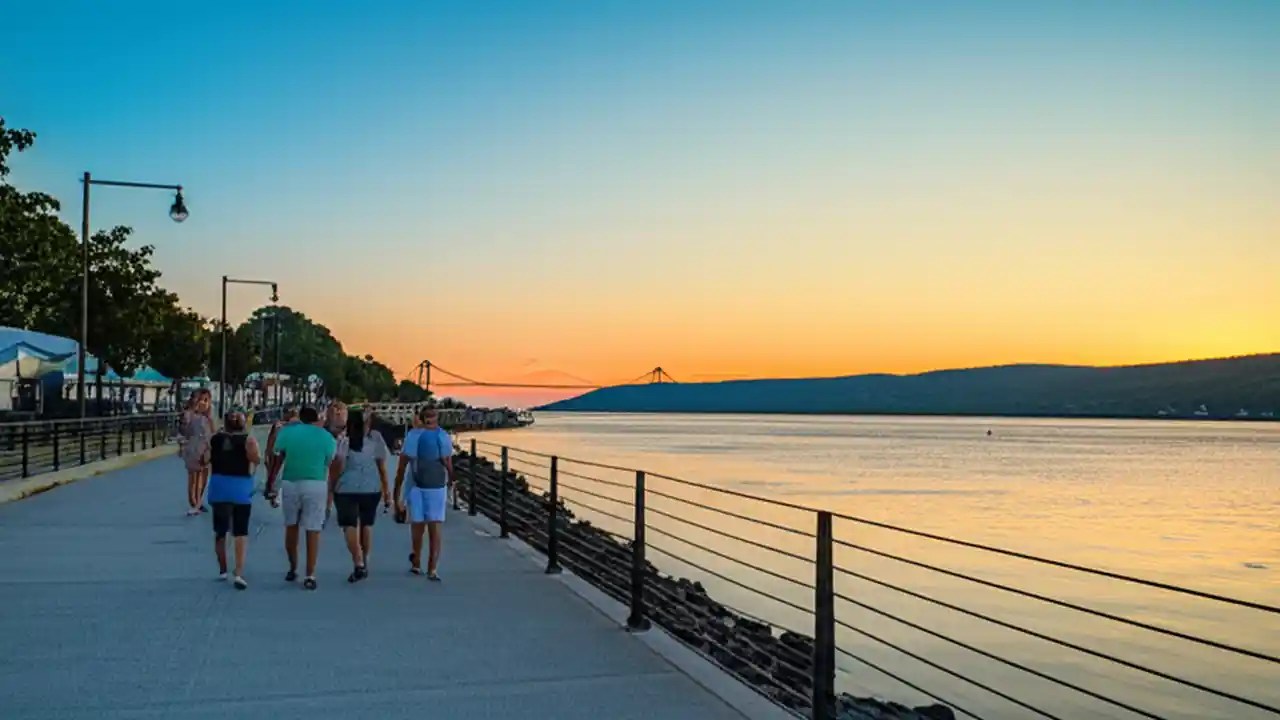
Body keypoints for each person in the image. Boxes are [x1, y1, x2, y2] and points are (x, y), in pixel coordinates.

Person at [267, 406, 337, 590]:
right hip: (316, 483)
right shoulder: (326, 437)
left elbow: (276, 453)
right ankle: (310, 574)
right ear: (316, 419)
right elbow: (329, 461)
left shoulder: (288, 433)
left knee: (291, 526)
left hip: (291, 482)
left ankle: (292, 567)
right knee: (313, 529)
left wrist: (270, 483)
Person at [328, 409, 390, 583]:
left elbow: (338, 465)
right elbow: (382, 467)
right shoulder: (376, 438)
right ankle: (365, 561)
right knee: (367, 524)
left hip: (346, 488)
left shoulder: (343, 441)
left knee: (349, 525)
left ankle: (358, 561)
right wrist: (387, 492)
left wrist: (331, 487)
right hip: (372, 488)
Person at [394, 407, 453, 580]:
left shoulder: (413, 436)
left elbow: (402, 465)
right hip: (433, 487)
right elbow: (448, 461)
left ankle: (419, 563)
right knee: (431, 527)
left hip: (419, 487)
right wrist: (452, 480)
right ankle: (430, 568)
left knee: (419, 526)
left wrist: (397, 493)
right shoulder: (442, 436)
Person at [207, 411, 261, 589]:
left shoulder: (215, 439)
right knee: (240, 532)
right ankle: (238, 572)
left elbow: (204, 459)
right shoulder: (249, 440)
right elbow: (256, 459)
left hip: (219, 486)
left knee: (220, 532)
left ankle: (223, 569)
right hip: (240, 488)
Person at [179, 389, 215, 516]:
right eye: (201, 399)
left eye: (206, 400)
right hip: (194, 448)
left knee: (204, 476)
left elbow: (213, 432)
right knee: (193, 476)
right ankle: (193, 502)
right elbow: (185, 431)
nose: (204, 403)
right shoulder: (189, 415)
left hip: (207, 448)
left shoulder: (209, 417)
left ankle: (198, 501)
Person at [264, 407, 299, 508]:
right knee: (277, 473)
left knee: (276, 473)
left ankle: (274, 493)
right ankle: (274, 493)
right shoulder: (281, 425)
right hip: (281, 453)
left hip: (279, 452)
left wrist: (267, 452)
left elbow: (271, 439)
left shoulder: (280, 425)